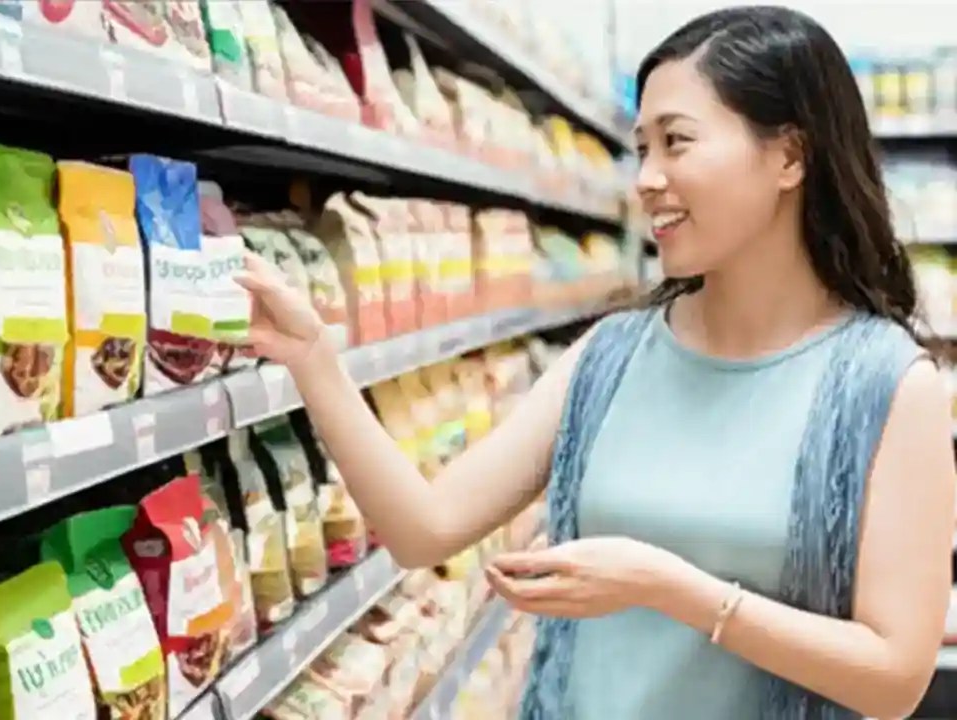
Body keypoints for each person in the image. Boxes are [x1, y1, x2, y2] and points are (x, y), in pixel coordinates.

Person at [235, 5, 955, 720]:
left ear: (790, 156)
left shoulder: (885, 385)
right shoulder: (611, 356)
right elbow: (425, 528)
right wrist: (314, 361)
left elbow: (894, 680)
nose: (646, 178)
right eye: (641, 147)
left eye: (676, 142)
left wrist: (670, 588)